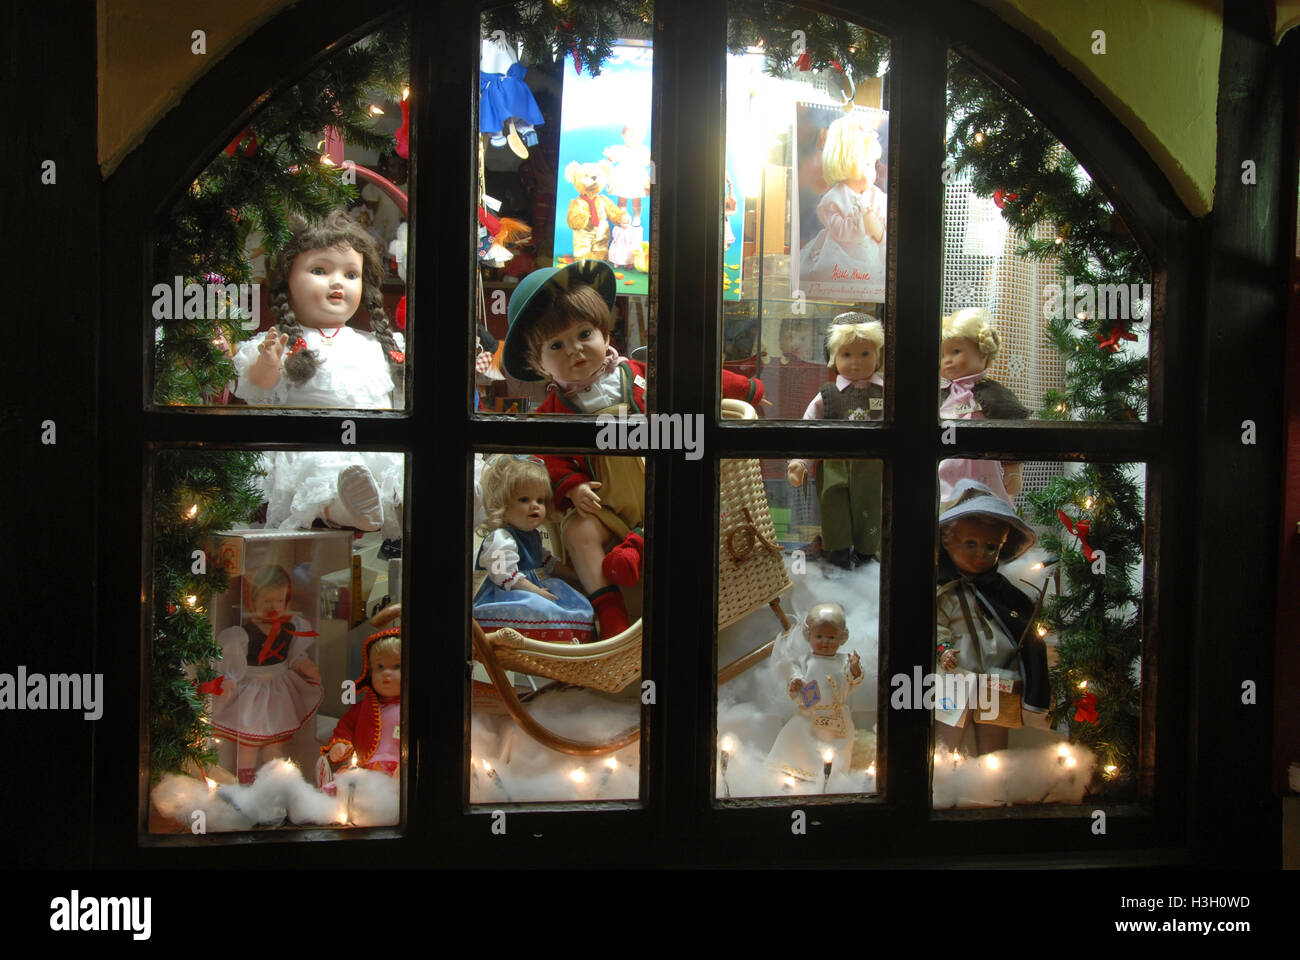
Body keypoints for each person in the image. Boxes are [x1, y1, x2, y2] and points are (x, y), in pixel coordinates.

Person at [499, 260, 766, 638]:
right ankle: (609, 612)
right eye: (556, 345)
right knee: (578, 532)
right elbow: (548, 458)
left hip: (659, 486)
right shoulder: (552, 411)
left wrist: (748, 389)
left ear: (605, 331)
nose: (575, 350)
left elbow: (693, 380)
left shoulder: (639, 375)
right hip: (605, 507)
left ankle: (638, 544)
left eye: (584, 333)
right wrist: (572, 486)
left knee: (688, 486)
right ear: (536, 363)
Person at [231, 210, 405, 535]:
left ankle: (395, 504)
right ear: (287, 281)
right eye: (320, 270)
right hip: (312, 444)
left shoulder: (379, 344)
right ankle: (345, 507)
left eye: (351, 274)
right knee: (326, 472)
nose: (337, 282)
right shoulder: (282, 342)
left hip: (377, 444)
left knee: (399, 472)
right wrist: (267, 364)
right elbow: (254, 387)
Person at [934, 479, 1049, 755]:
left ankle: (994, 792)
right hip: (955, 677)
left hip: (999, 677)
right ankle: (943, 789)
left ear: (1003, 545)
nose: (980, 555)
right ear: (948, 541)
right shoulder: (946, 592)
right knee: (946, 743)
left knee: (995, 746)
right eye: (970, 544)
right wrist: (943, 650)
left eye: (991, 547)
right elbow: (936, 626)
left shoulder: (1007, 596)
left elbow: (1027, 633)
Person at [787, 314, 885, 567]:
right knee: (834, 510)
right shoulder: (827, 395)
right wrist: (801, 462)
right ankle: (837, 555)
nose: (855, 363)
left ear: (878, 356)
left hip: (873, 468)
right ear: (833, 358)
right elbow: (808, 428)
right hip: (834, 466)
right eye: (846, 355)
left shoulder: (886, 393)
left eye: (865, 354)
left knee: (870, 512)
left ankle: (866, 555)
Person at [212, 565, 323, 784]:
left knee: (274, 742)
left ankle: (271, 780)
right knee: (248, 743)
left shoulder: (291, 628)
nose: (273, 607)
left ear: (286, 601)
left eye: (279, 602)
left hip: (279, 691)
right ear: (252, 601)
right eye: (266, 602)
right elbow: (233, 661)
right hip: (251, 691)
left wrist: (308, 668)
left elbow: (295, 657)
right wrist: (229, 680)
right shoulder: (243, 634)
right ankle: (245, 781)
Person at [472, 455, 595, 644]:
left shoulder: (533, 537)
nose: (535, 505)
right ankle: (553, 638)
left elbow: (548, 563)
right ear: (503, 504)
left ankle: (572, 640)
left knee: (579, 602)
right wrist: (535, 590)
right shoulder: (501, 537)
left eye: (541, 500)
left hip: (530, 588)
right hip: (506, 594)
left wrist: (575, 576)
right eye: (524, 499)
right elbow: (501, 573)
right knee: (541, 606)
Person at [938, 308, 1029, 505]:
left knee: (986, 515)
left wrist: (1013, 468)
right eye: (942, 354)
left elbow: (1014, 431)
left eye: (956, 351)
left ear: (983, 354)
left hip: (984, 474)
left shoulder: (993, 395)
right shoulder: (941, 396)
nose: (947, 360)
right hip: (945, 473)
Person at [766, 602, 863, 783]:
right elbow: (795, 675)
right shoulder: (805, 660)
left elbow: (852, 682)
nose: (825, 642)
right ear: (808, 636)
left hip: (837, 719)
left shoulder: (843, 661)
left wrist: (855, 669)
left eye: (832, 637)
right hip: (810, 716)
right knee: (798, 740)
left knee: (837, 750)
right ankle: (797, 772)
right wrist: (796, 683)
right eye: (819, 636)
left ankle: (831, 777)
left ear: (842, 638)